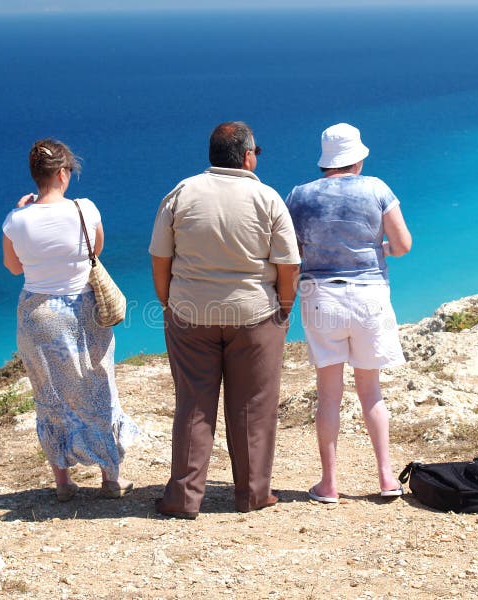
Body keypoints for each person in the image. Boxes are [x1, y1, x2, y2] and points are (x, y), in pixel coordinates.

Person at [149, 122, 301, 519]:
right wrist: (284, 309)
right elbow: (288, 264)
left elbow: (160, 258)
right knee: (254, 404)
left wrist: (168, 303)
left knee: (193, 404)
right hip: (254, 314)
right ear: (248, 155)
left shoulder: (181, 193)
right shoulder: (266, 198)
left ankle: (183, 498)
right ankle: (253, 494)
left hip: (190, 313)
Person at [2, 139, 139, 502]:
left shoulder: (15, 220)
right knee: (99, 385)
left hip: (38, 313)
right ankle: (111, 478)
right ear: (63, 173)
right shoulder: (85, 209)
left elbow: (14, 267)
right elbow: (95, 250)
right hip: (84, 309)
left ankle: (63, 483)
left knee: (49, 395)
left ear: (35, 176)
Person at [285, 123, 412, 503]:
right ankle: (387, 478)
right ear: (357, 159)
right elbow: (403, 244)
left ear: (326, 160)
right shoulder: (377, 188)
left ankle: (329, 483)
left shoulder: (299, 195)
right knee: (371, 393)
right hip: (369, 294)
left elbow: (290, 254)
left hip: (321, 295)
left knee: (329, 395)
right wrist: (377, 251)